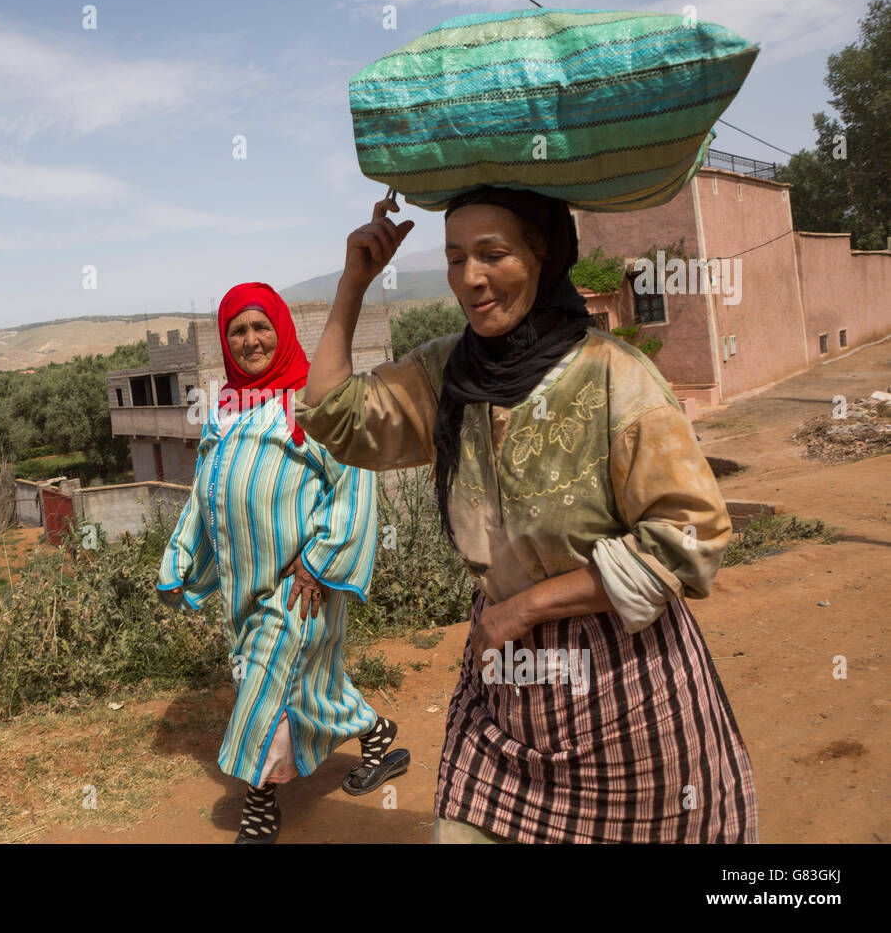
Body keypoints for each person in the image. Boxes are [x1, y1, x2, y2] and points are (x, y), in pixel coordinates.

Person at [291, 188, 759, 843]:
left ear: (544, 255)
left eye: (493, 254)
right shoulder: (446, 373)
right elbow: (333, 416)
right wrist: (353, 282)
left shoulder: (612, 375)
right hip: (505, 683)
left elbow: (689, 537)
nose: (471, 279)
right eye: (456, 258)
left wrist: (525, 609)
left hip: (622, 678)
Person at [157, 281, 409, 844]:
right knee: (301, 684)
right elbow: (205, 491)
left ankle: (259, 806)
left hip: (301, 583)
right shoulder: (224, 411)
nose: (251, 340)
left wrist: (320, 562)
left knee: (268, 685)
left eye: (260, 327)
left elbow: (355, 480)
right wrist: (180, 559)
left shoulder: (312, 401)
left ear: (282, 330)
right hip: (242, 586)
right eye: (237, 331)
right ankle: (375, 732)